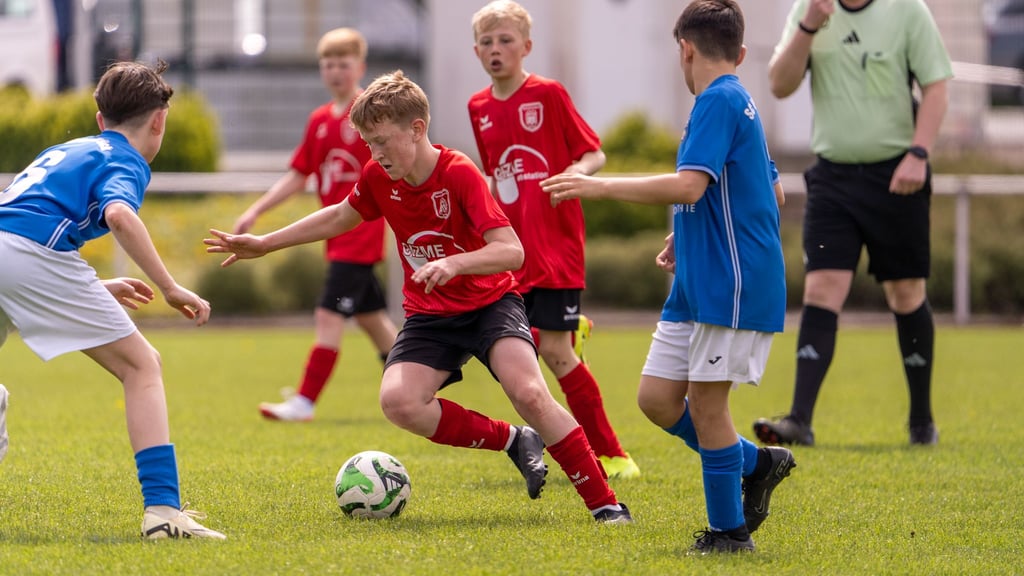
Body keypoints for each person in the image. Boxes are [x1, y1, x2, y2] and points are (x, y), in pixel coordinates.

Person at [205, 70, 633, 524]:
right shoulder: (377, 175)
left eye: (383, 140)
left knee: (529, 391)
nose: (376, 153)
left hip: (491, 304)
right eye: (369, 143)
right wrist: (266, 242)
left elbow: (511, 251)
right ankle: (513, 440)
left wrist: (454, 263)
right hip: (431, 315)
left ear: (417, 128)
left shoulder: (459, 173)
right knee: (399, 402)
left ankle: (606, 505)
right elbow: (340, 216)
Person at [542, 0, 793, 552]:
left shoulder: (718, 100)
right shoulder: (734, 100)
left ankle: (729, 535)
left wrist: (599, 186)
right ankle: (757, 463)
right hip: (700, 283)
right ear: (742, 52)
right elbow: (767, 191)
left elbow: (688, 186)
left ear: (685, 49)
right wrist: (691, 233)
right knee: (657, 399)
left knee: (707, 408)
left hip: (729, 286)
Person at [0, 60, 226, 540]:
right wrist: (170, 287)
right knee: (141, 366)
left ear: (100, 118)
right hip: (30, 254)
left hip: (10, 247)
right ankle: (164, 512)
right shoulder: (126, 159)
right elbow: (120, 215)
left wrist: (94, 289)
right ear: (160, 121)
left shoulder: (67, 148)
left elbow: (22, 236)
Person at [752, 0, 952, 447]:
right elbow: (779, 85)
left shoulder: (907, 11)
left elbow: (937, 86)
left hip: (898, 175)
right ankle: (799, 421)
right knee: (822, 288)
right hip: (833, 178)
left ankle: (922, 421)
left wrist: (919, 154)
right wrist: (809, 25)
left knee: (905, 293)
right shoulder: (808, 9)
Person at [467, 0, 640, 479]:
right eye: (487, 42)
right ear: (476, 50)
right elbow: (492, 173)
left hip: (556, 247)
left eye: (505, 41)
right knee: (517, 355)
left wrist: (575, 174)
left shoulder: (548, 94)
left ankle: (612, 454)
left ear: (526, 46)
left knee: (556, 356)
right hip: (510, 251)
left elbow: (594, 152)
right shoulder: (477, 106)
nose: (496, 49)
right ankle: (568, 339)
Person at [232, 28, 398, 422]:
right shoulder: (320, 120)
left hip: (358, 233)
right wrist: (257, 210)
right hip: (334, 236)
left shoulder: (369, 116)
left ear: (360, 66)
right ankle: (425, 385)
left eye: (344, 63)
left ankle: (304, 401)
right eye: (328, 64)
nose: (336, 71)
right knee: (373, 320)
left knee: (327, 315)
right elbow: (298, 173)